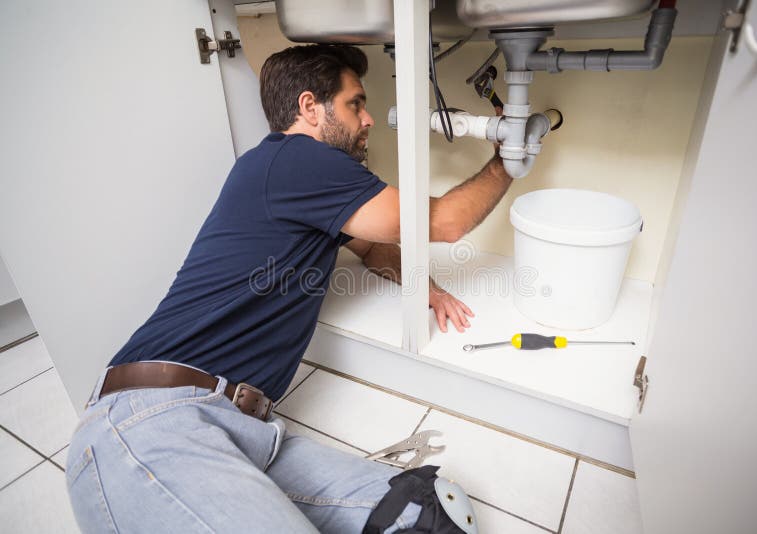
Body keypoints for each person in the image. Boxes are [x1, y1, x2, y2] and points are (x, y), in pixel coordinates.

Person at [65, 44, 514, 533]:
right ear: (308, 107)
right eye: (355, 103)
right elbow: (445, 222)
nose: (367, 120)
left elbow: (372, 246)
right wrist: (508, 159)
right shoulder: (297, 158)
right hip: (152, 422)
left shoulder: (296, 178)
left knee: (433, 512)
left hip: (245, 431)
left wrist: (426, 287)